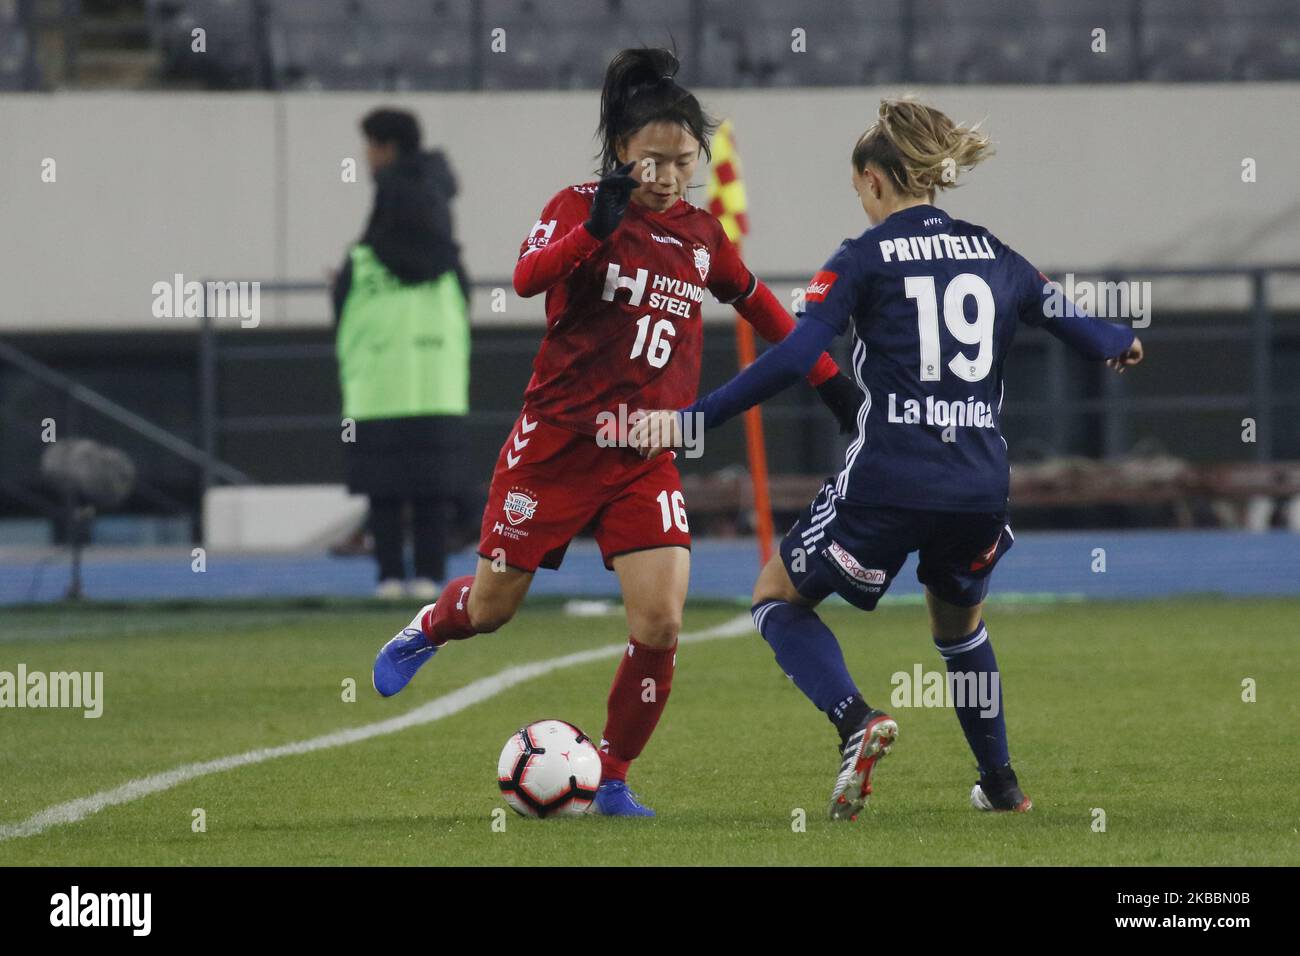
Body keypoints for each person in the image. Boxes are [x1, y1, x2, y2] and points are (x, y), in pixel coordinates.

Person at [370, 48, 862, 817]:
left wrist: (831, 381)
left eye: (683, 160)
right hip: (555, 445)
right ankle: (432, 625)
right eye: (653, 159)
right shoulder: (576, 204)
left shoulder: (702, 234)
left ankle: (613, 776)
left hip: (644, 452)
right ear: (622, 153)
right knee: (494, 608)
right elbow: (529, 277)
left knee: (661, 623)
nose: (668, 176)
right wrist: (593, 232)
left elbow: (761, 302)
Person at [631, 98, 1144, 821]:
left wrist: (695, 418)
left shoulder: (864, 257)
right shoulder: (994, 253)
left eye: (857, 188)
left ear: (874, 180)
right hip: (978, 484)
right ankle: (1000, 786)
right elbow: (1073, 321)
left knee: (776, 597)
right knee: (959, 628)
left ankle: (856, 721)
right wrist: (1118, 338)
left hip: (889, 477)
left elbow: (797, 358)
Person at [333, 108, 471, 600]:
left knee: (385, 488)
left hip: (377, 387)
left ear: (386, 148)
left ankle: (389, 576)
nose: (366, 158)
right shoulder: (448, 248)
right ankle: (432, 576)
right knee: (433, 488)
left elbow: (346, 303)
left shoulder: (367, 250)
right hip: (437, 384)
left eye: (370, 147)